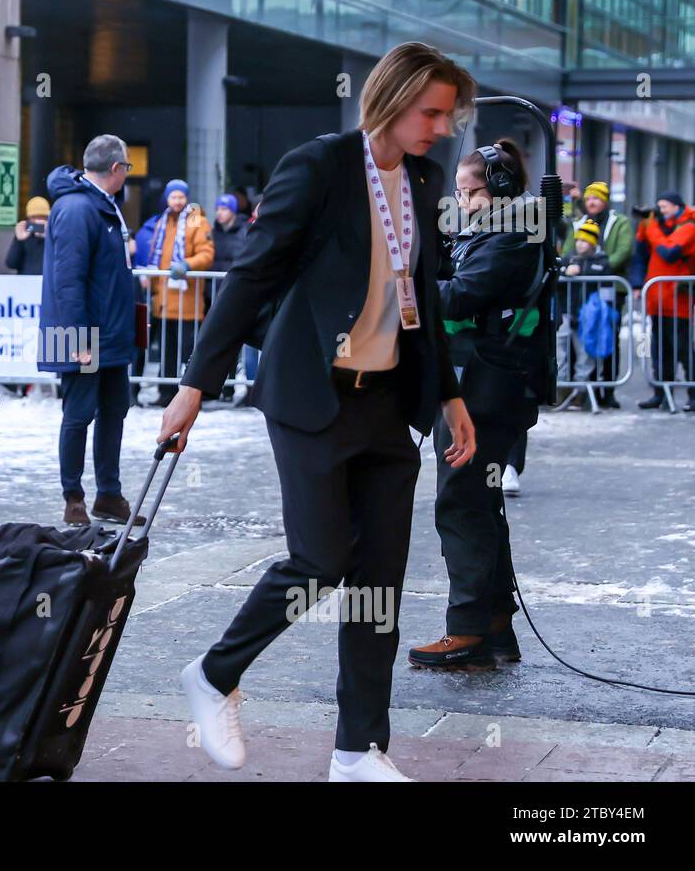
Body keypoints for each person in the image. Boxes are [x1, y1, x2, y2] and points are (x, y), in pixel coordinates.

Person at [159, 41, 477, 781]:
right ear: (393, 100)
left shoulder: (425, 180)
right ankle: (213, 673)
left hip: (387, 403)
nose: (439, 127)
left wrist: (450, 395)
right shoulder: (322, 166)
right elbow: (252, 274)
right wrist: (194, 385)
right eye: (430, 111)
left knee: (378, 583)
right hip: (311, 395)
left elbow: (423, 297)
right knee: (320, 561)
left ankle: (358, 750)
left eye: (446, 115)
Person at [408, 138, 546, 671]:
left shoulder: (513, 233)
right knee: (480, 502)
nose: (463, 203)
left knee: (463, 502)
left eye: (471, 192)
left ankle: (466, 629)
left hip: (489, 387)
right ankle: (492, 624)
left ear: (502, 188)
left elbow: (462, 295)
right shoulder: (495, 229)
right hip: (484, 382)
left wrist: (406, 284)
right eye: (459, 193)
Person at [38, 134, 143, 527]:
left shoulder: (99, 206)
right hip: (85, 339)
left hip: (110, 336)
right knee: (79, 414)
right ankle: (74, 497)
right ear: (116, 169)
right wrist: (78, 339)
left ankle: (109, 495)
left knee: (115, 410)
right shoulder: (78, 209)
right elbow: (68, 281)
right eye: (127, 167)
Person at [562, 181, 632, 408]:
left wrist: (597, 269)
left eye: (597, 198)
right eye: (589, 198)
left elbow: (623, 251)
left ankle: (607, 391)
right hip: (579, 293)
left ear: (605, 201)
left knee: (608, 339)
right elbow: (567, 253)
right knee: (580, 342)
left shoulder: (619, 222)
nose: (592, 202)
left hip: (610, 289)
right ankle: (583, 391)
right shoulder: (578, 222)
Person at [146, 180, 214, 407]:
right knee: (167, 350)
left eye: (181, 197)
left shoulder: (195, 219)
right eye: (173, 197)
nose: (177, 201)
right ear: (167, 199)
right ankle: (166, 393)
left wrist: (187, 264)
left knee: (188, 351)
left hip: (187, 302)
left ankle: (192, 394)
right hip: (164, 301)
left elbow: (206, 253)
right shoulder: (163, 222)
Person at [632, 191, 695, 411]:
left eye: (664, 206)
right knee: (660, 349)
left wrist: (650, 228)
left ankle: (693, 395)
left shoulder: (689, 225)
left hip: (679, 301)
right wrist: (637, 284)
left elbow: (669, 252)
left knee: (684, 349)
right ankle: (661, 393)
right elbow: (639, 256)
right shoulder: (656, 226)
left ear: (677, 207)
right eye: (659, 206)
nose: (660, 211)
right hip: (657, 299)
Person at [558, 221, 612, 409]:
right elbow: (556, 276)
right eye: (578, 240)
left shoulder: (602, 262)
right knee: (560, 352)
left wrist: (581, 272)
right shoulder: (568, 259)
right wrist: (565, 271)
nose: (580, 244)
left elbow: (606, 285)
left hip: (588, 315)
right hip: (566, 311)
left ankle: (579, 392)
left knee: (585, 355)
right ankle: (561, 388)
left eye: (585, 240)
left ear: (593, 242)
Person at [209, 193, 255, 401]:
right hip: (214, 290)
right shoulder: (213, 232)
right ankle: (219, 386)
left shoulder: (244, 230)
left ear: (233, 211)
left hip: (235, 291)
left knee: (236, 341)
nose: (220, 213)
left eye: (225, 209)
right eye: (218, 209)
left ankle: (237, 387)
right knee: (216, 340)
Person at [6, 195, 49, 275]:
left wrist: (49, 237)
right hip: (26, 282)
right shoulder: (24, 234)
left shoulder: (54, 234)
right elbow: (11, 263)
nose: (38, 221)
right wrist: (18, 240)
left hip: (46, 282)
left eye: (42, 217)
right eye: (34, 217)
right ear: (28, 218)